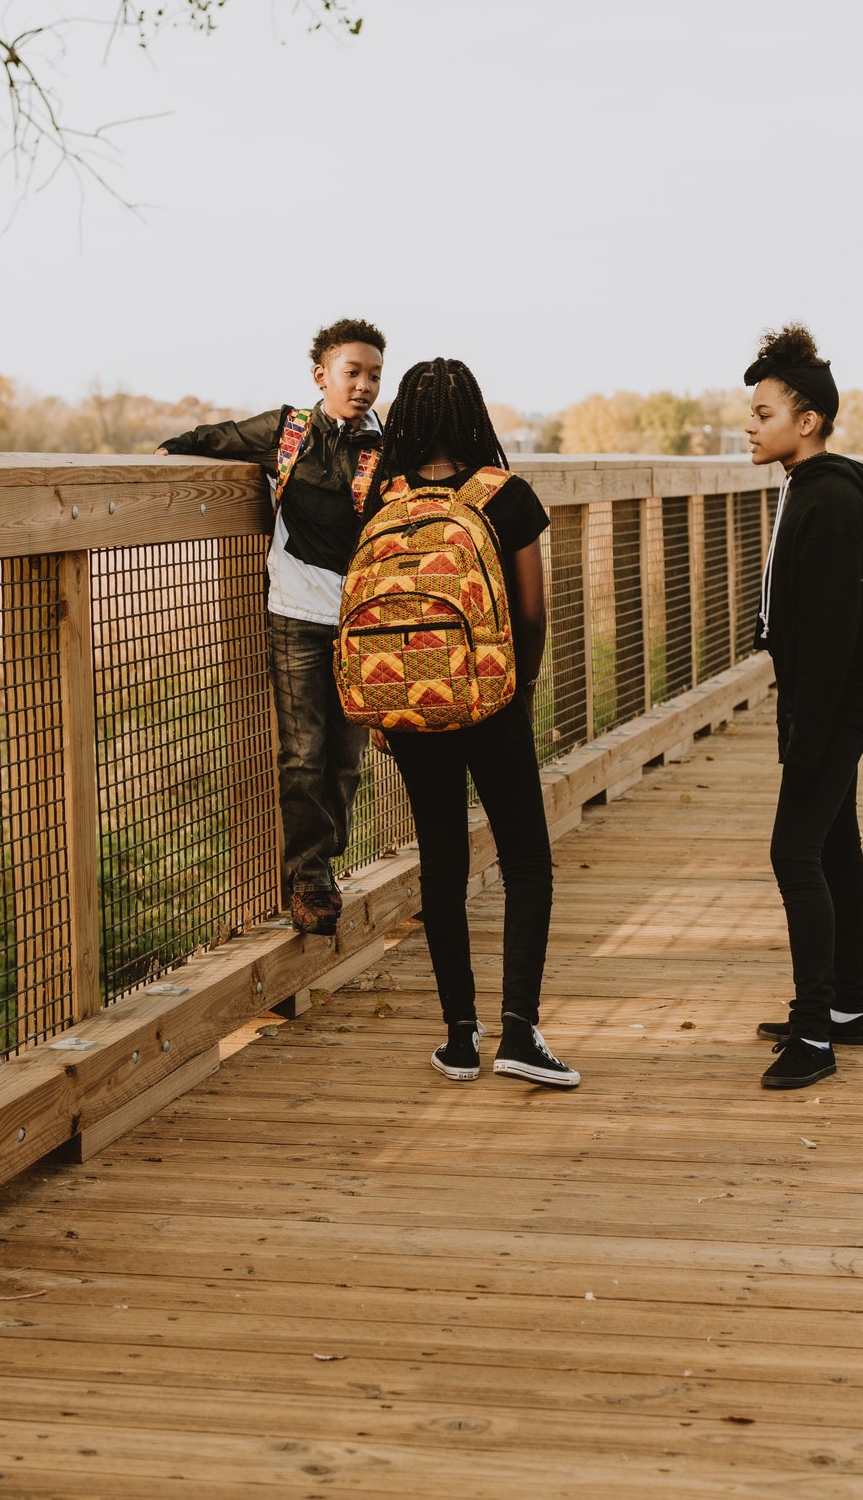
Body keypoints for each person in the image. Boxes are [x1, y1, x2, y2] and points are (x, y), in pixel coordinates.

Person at [360, 357, 579, 1088]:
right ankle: (519, 1032)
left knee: (443, 865)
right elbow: (532, 610)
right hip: (490, 701)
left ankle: (459, 1037)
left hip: (410, 705)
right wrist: (520, 690)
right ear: (474, 416)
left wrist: (383, 704)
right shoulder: (503, 495)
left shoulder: (383, 500)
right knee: (526, 864)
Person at [158, 318, 385, 937]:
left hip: (361, 619)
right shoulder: (286, 432)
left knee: (347, 755)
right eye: (352, 372)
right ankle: (308, 877)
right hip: (294, 611)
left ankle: (324, 854)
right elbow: (216, 438)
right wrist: (165, 454)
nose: (364, 385)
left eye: (373, 375)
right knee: (303, 751)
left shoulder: (388, 448)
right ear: (322, 376)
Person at [745, 325, 863, 1089]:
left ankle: (815, 1037)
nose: (750, 426)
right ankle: (847, 1007)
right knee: (835, 845)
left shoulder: (833, 500)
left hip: (834, 709)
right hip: (826, 706)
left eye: (763, 413)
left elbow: (836, 637)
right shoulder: (811, 487)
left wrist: (810, 736)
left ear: (806, 421)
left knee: (795, 852)